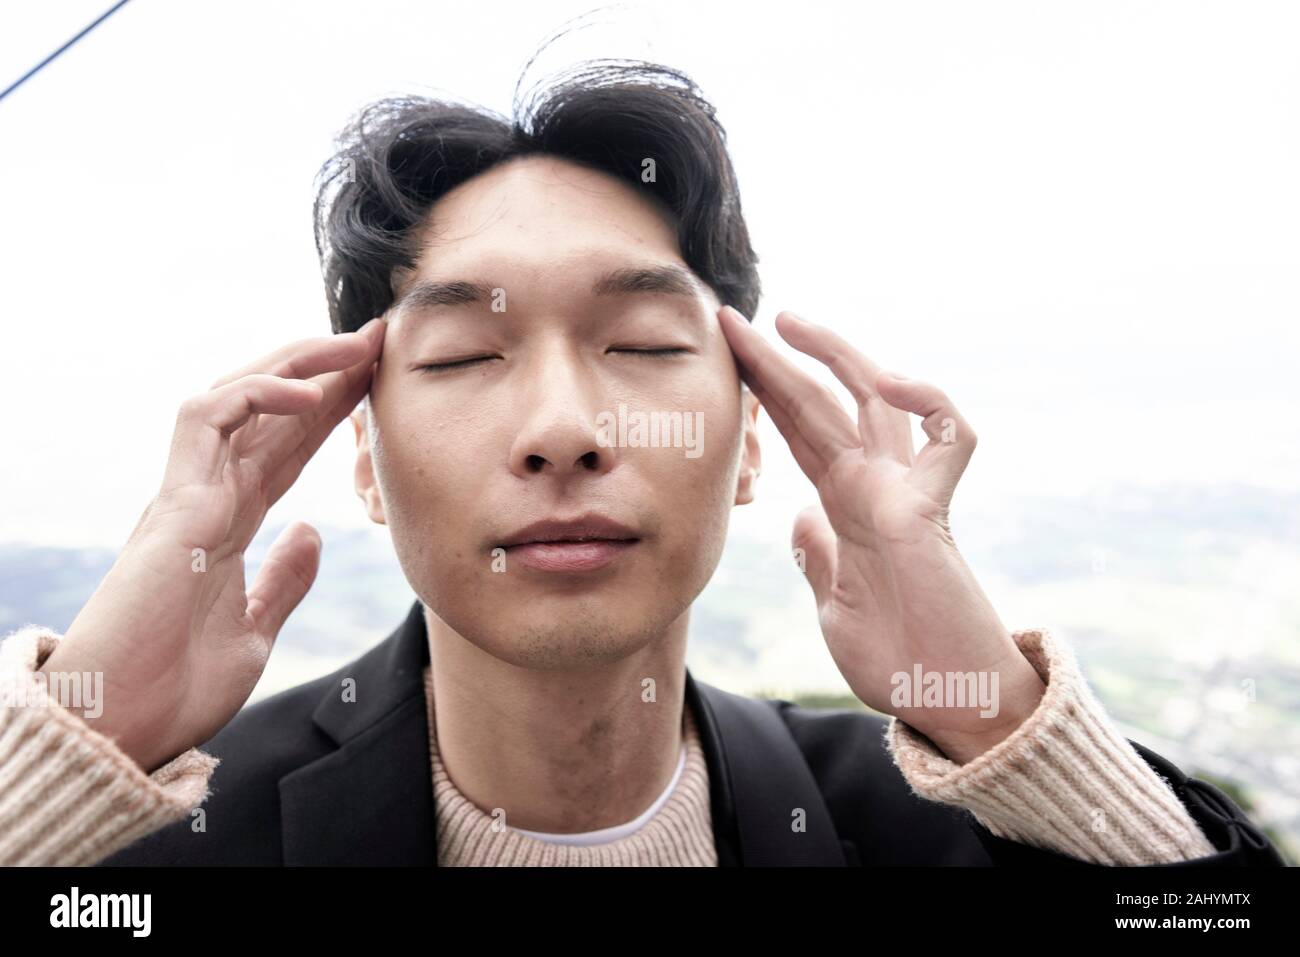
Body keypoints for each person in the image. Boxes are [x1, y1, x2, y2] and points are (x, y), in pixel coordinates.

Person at [0, 60, 1284, 867]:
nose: (564, 427)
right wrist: (71, 759)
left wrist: (1000, 721)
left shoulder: (943, 828)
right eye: (459, 361)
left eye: (641, 342)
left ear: (746, 447)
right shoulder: (148, 852)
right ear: (367, 463)